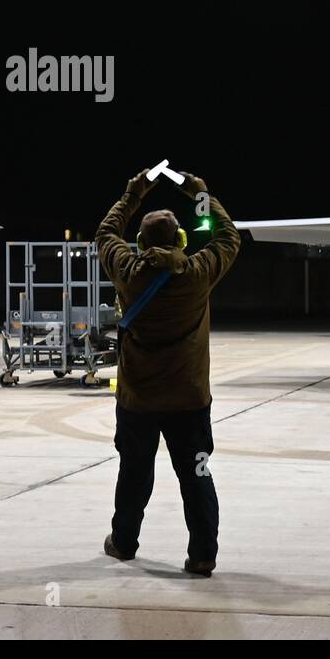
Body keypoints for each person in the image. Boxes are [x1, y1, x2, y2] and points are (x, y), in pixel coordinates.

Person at [97, 168, 241, 575]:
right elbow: (229, 236)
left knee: (134, 474)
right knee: (196, 476)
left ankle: (124, 543)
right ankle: (202, 556)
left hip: (138, 401)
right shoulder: (198, 274)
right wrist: (202, 194)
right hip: (189, 401)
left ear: (139, 243)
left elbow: (105, 234)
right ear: (180, 240)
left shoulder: (127, 271)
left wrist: (132, 195)